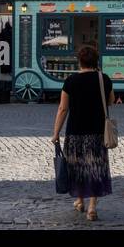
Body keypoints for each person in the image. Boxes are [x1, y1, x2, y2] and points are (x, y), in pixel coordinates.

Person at [51, 44, 114, 222]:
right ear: (96, 61)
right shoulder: (105, 79)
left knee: (77, 168)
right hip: (97, 132)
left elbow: (63, 109)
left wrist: (56, 132)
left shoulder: (70, 81)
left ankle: (79, 201)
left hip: (75, 133)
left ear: (79, 61)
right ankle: (92, 207)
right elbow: (110, 101)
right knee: (95, 168)